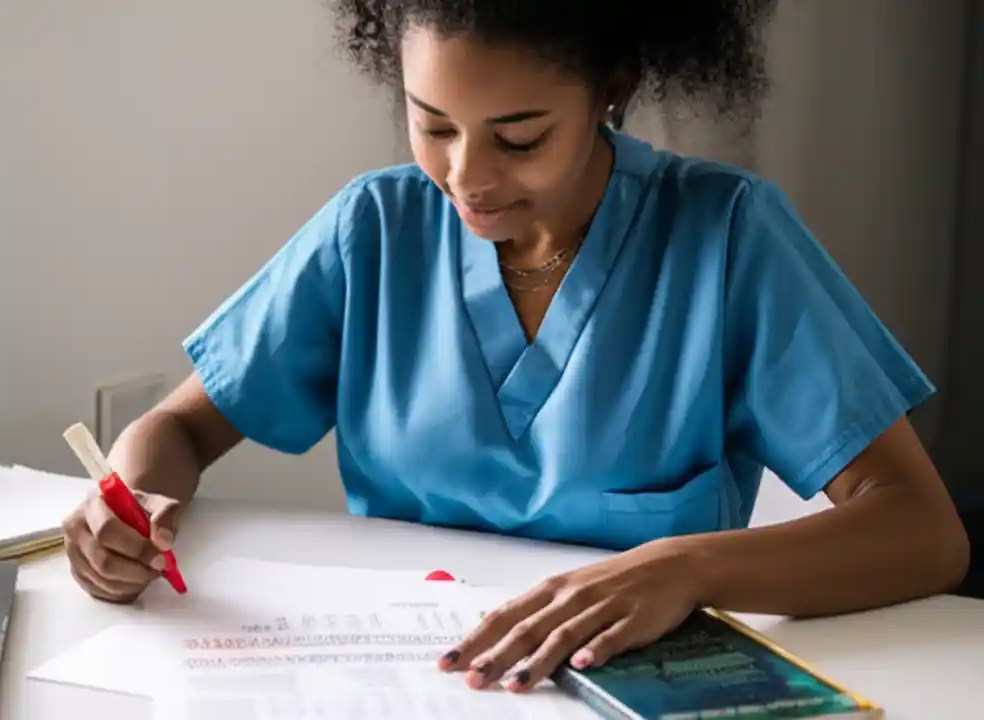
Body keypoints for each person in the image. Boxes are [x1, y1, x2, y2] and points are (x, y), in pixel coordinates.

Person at [62, 0, 971, 694]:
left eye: (520, 137)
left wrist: (689, 567)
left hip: (625, 690)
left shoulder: (728, 237)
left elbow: (921, 531)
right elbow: (177, 430)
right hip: (404, 687)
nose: (468, 178)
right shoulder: (374, 230)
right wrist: (129, 505)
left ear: (612, 88)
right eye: (432, 125)